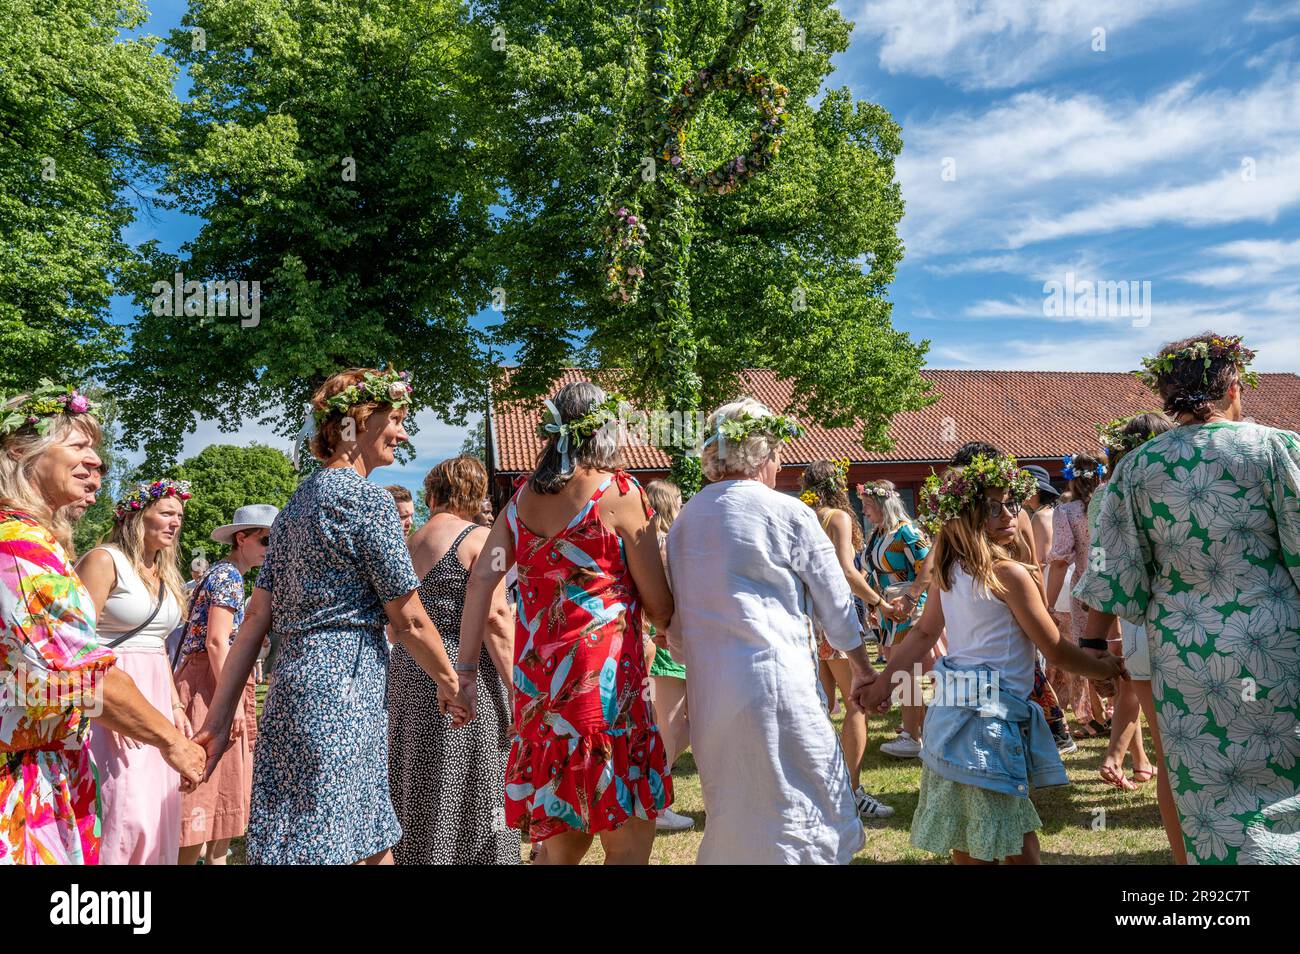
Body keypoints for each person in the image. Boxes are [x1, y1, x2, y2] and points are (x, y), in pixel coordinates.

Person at [194, 368, 461, 865]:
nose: (403, 433)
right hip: (344, 694)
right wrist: (450, 682)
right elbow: (409, 620)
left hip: (293, 692)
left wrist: (217, 720)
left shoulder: (296, 505)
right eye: (396, 419)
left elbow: (255, 619)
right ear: (359, 421)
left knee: (341, 837)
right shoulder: (368, 501)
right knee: (344, 840)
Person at [1076, 333, 1300, 864]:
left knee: (1206, 793)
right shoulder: (1274, 448)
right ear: (1232, 383)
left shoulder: (1135, 469)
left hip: (1186, 655)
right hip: (1277, 648)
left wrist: (1090, 648)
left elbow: (1111, 571)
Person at [862, 455, 1125, 864]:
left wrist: (883, 682)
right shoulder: (1008, 575)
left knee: (969, 834)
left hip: (951, 715)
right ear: (964, 517)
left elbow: (923, 635)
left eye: (1010, 504)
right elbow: (1054, 648)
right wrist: (1103, 667)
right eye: (992, 508)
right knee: (1017, 843)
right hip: (991, 718)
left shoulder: (951, 570)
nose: (1007, 514)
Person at [457, 381, 675, 865]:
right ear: (603, 430)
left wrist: (466, 672)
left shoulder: (517, 506)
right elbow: (659, 604)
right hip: (607, 694)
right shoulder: (619, 494)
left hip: (541, 695)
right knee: (627, 849)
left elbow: (480, 583)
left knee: (557, 856)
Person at [0, 382, 204, 865]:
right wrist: (173, 741)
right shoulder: (17, 546)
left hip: (52, 756)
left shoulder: (35, 540)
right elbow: (83, 673)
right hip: (20, 773)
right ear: (18, 450)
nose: (96, 462)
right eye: (78, 445)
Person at [667, 399, 878, 864]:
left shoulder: (684, 521)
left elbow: (677, 625)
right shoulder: (787, 512)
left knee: (735, 805)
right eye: (778, 454)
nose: (780, 465)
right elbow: (835, 600)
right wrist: (861, 668)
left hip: (712, 691)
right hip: (777, 683)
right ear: (762, 454)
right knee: (800, 805)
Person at [388, 455, 517, 864]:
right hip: (466, 672)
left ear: (434, 494)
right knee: (474, 780)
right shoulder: (481, 540)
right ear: (475, 493)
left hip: (411, 671)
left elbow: (397, 624)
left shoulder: (407, 543)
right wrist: (520, 690)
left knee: (416, 780)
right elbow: (496, 619)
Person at [77, 479, 192, 865]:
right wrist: (107, 710)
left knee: (159, 806)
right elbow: (76, 643)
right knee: (125, 811)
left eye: (179, 515)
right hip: (112, 690)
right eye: (166, 513)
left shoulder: (163, 573)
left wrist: (175, 706)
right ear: (139, 515)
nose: (175, 522)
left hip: (156, 693)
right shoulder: (104, 560)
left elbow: (158, 644)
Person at [949, 444, 1073, 751]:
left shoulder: (1017, 519)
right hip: (986, 610)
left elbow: (1031, 566)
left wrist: (1043, 610)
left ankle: (1049, 733)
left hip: (1020, 609)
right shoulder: (960, 525)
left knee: (1029, 674)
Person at [175, 503, 277, 865]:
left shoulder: (227, 575)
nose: (272, 547)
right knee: (201, 793)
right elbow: (216, 642)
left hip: (214, 681)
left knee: (221, 794)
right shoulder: (229, 577)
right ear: (242, 538)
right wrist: (229, 702)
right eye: (266, 538)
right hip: (211, 684)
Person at [799, 461, 896, 818]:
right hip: (836, 619)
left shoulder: (804, 515)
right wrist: (879, 601)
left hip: (810, 621)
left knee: (821, 708)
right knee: (857, 703)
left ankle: (820, 789)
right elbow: (845, 568)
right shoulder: (837, 517)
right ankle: (851, 791)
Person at [1090, 415, 1176, 806]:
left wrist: (1092, 638)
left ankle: (1133, 760)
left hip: (1133, 619)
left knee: (1170, 756)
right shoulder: (1177, 485)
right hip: (1182, 623)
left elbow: (1102, 566)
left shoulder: (1101, 497)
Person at [860, 479, 936, 759]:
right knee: (903, 672)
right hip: (888, 607)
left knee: (906, 672)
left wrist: (911, 599)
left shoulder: (907, 532)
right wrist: (874, 603)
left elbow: (927, 568)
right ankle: (919, 729)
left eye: (868, 506)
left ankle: (912, 735)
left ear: (883, 505)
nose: (864, 512)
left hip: (909, 606)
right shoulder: (879, 533)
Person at [642, 479, 695, 833]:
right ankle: (654, 804)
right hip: (664, 645)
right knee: (671, 728)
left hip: (673, 642)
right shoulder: (662, 544)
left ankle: (647, 792)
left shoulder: (652, 544)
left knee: (688, 726)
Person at [1047, 453, 1111, 739]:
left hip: (1085, 587)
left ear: (1071, 477)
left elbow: (1060, 559)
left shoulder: (1067, 512)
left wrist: (1047, 602)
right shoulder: (1111, 502)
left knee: (1086, 651)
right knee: (1118, 648)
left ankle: (1092, 717)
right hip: (1119, 582)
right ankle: (1115, 710)